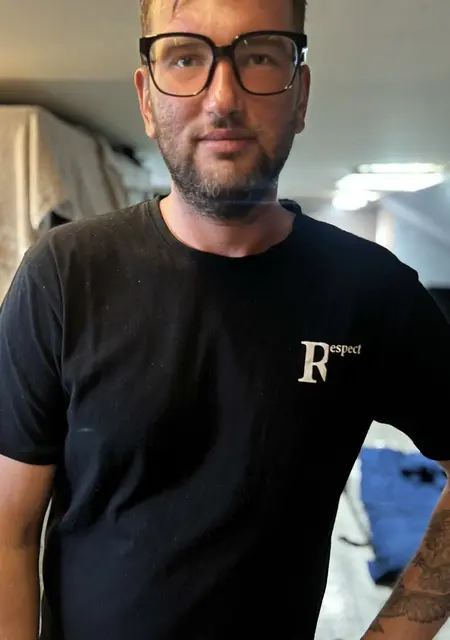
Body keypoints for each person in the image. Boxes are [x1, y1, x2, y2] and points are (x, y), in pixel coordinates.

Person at [0, 0, 450, 638]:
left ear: (300, 94)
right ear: (146, 98)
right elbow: (7, 530)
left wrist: (396, 633)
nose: (222, 98)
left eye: (258, 56)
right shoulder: (65, 275)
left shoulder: (371, 292)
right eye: (185, 58)